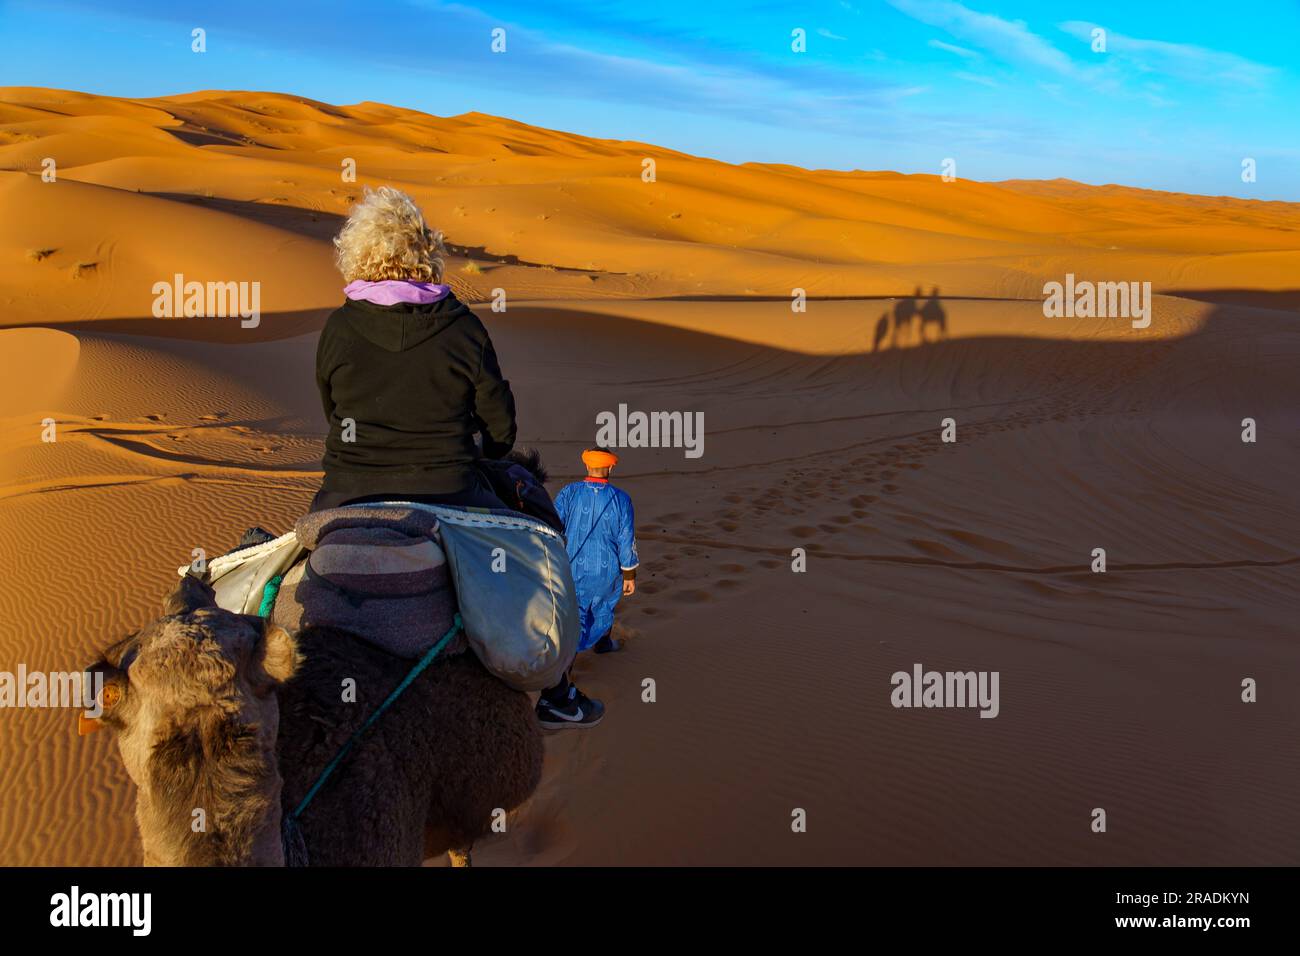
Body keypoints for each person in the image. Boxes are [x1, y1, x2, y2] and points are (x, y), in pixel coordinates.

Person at [311, 185, 515, 513]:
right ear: (427, 250)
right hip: (451, 490)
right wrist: (487, 452)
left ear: (356, 252)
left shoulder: (338, 328)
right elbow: (500, 426)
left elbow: (331, 410)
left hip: (347, 490)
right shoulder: (464, 328)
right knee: (533, 539)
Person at [554, 448, 638, 655]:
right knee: (604, 608)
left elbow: (552, 528)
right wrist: (629, 574)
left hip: (572, 567)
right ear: (610, 467)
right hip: (607, 570)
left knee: (574, 613)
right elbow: (626, 539)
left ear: (587, 465)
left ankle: (568, 661)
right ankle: (602, 644)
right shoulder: (622, 499)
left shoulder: (568, 493)